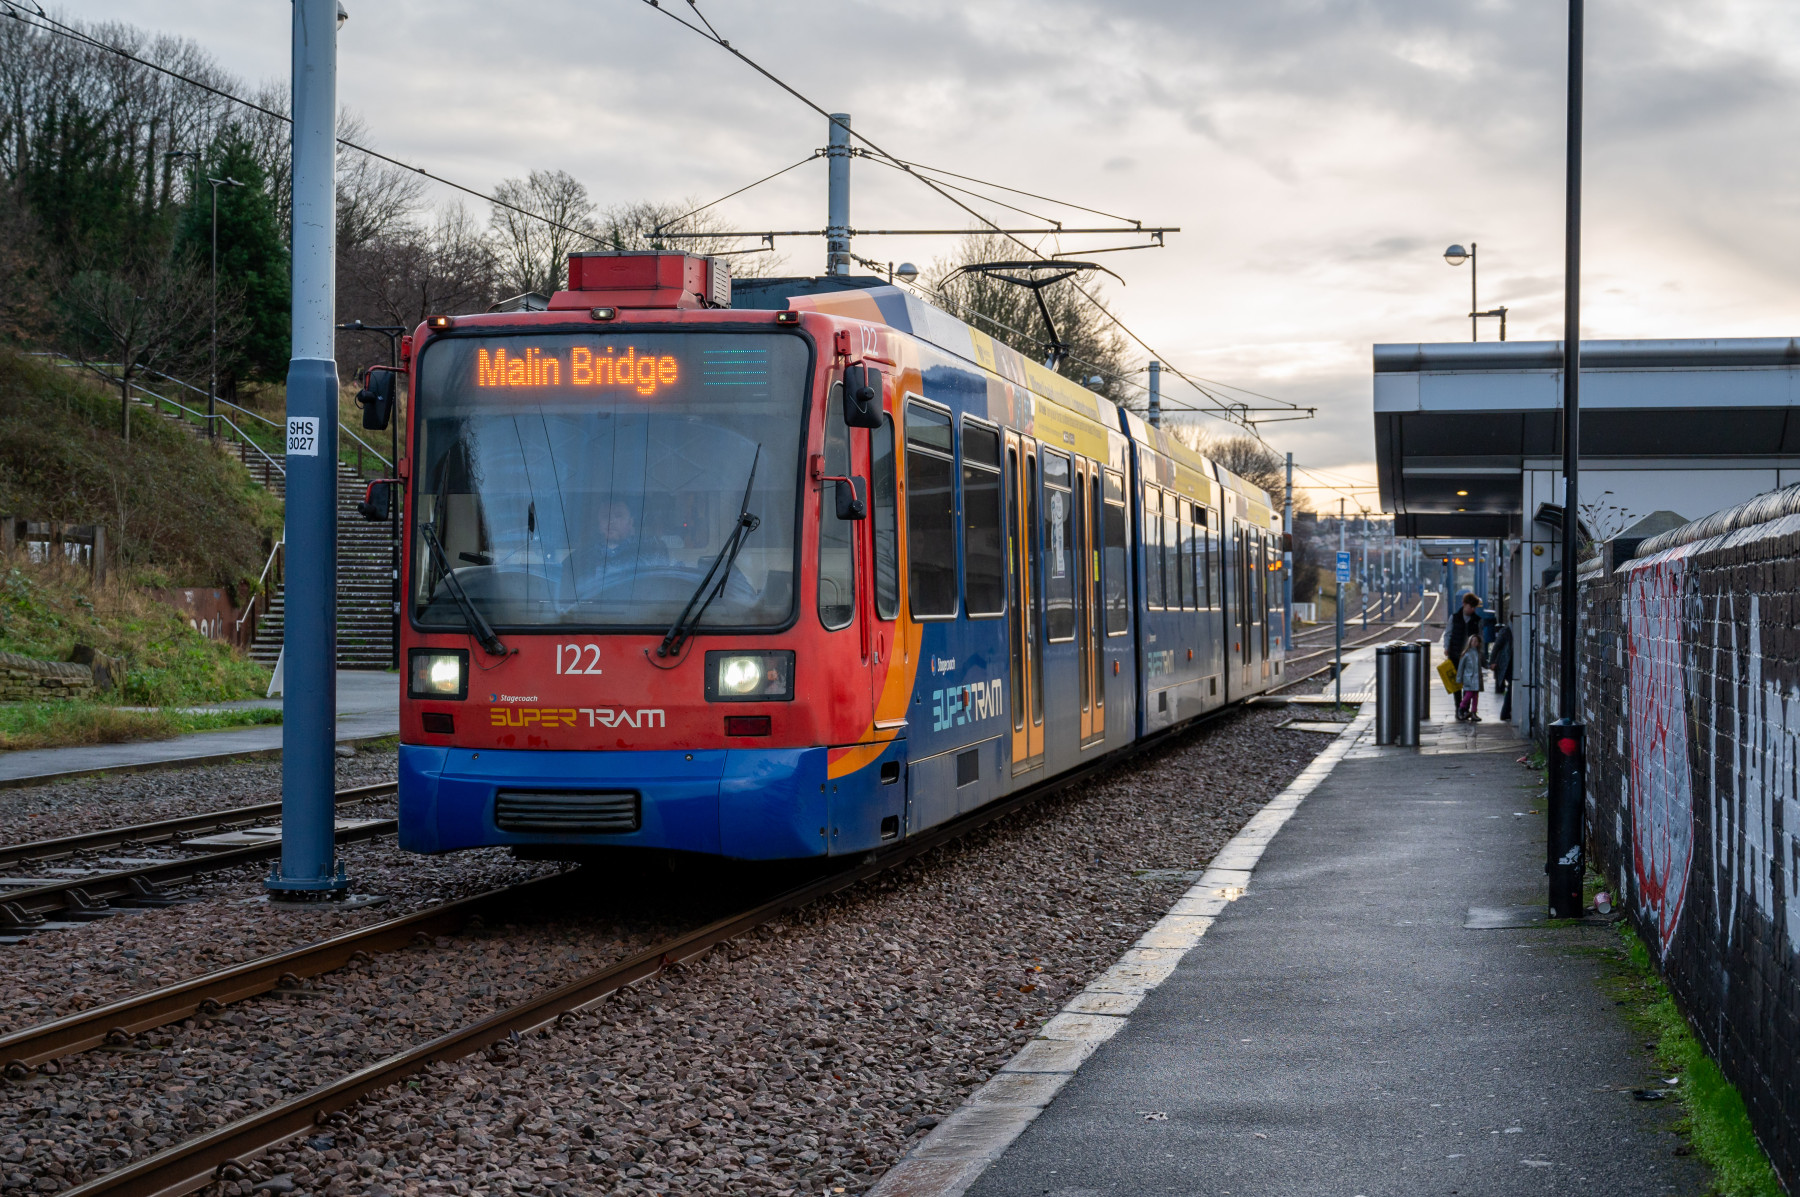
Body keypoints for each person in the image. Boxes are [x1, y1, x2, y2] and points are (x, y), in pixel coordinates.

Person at [1445, 592, 1482, 661]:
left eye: (1474, 607)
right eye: (1471, 606)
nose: (1473, 609)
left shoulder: (1477, 620)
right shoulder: (1454, 618)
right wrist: (1446, 647)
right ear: (1464, 604)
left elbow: (1480, 638)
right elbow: (1448, 634)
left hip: (1471, 656)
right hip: (1455, 655)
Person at [1456, 632, 1483, 722]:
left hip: (1476, 678)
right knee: (1469, 694)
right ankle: (1461, 708)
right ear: (1470, 642)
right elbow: (1461, 667)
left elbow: (1484, 663)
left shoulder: (1479, 654)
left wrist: (1490, 666)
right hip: (1469, 678)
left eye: (1476, 641)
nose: (1474, 643)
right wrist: (1459, 678)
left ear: (1479, 643)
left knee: (1475, 696)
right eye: (1473, 641)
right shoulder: (1466, 654)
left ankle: (1474, 712)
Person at [1490, 621, 1514, 721]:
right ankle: (1505, 713)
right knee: (1512, 686)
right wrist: (1492, 661)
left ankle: (1506, 712)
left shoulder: (1513, 630)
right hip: (1506, 664)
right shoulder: (1506, 631)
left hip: (1512, 663)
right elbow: (1496, 647)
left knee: (1512, 686)